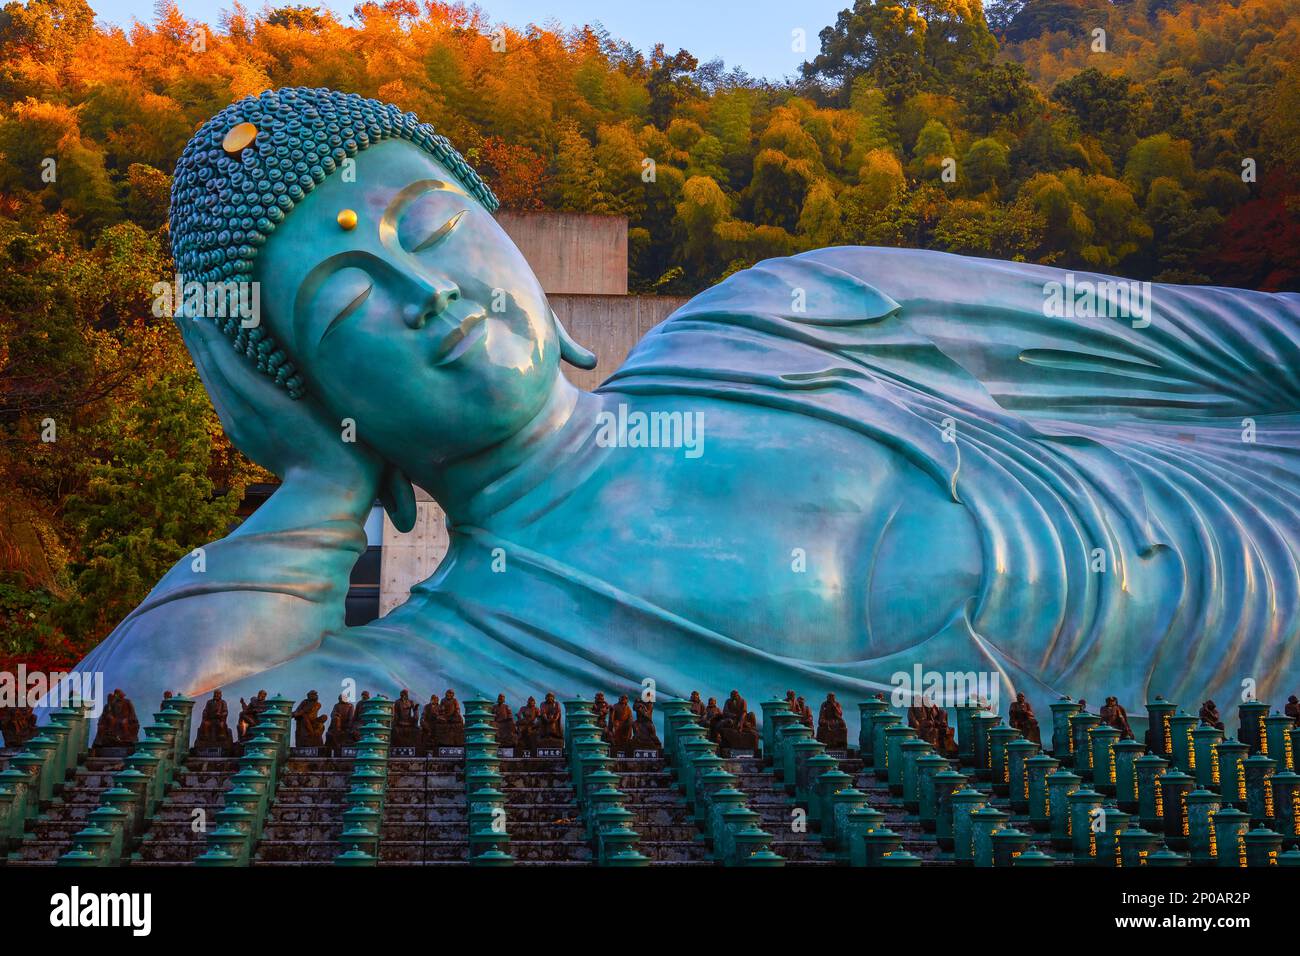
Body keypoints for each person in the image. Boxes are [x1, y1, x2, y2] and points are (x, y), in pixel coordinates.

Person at [75, 87, 1300, 722]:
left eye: (433, 226)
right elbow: (101, 770)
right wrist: (313, 487)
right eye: (346, 310)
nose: (422, 288)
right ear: (323, 403)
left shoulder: (793, 316)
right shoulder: (444, 660)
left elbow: (1219, 338)